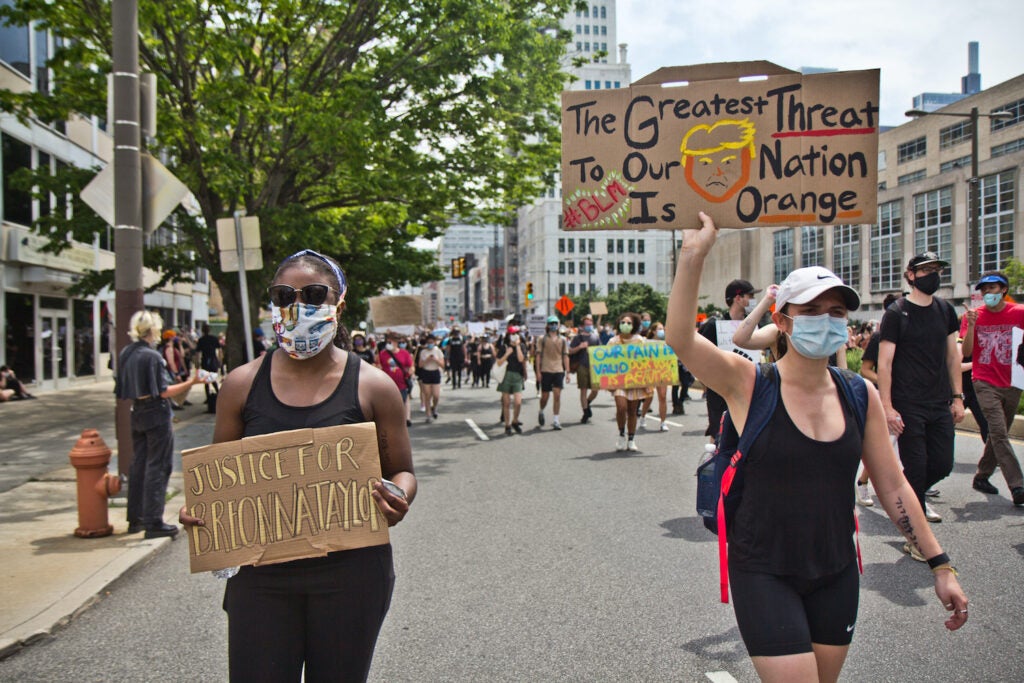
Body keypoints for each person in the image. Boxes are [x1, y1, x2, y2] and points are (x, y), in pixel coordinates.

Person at [665, 212, 968, 682]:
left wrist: (940, 564)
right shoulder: (749, 383)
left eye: (837, 312)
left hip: (835, 571)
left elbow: (892, 484)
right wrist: (693, 255)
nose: (826, 322)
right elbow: (680, 339)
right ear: (784, 321)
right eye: (811, 312)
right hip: (763, 570)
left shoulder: (857, 394)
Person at [180, 248, 414, 682]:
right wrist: (202, 510)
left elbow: (402, 470)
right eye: (284, 294)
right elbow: (217, 479)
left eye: (313, 294)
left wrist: (398, 495)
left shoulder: (375, 387)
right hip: (260, 577)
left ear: (338, 304)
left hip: (352, 575)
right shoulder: (240, 385)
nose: (298, 305)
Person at [877, 252, 964, 534]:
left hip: (939, 402)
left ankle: (905, 496)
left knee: (942, 464)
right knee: (916, 466)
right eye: (926, 270)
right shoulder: (896, 313)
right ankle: (915, 532)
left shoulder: (945, 310)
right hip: (908, 403)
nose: (933, 275)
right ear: (911, 275)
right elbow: (884, 364)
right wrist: (887, 407)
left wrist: (958, 397)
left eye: (937, 269)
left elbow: (953, 357)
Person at [116, 310, 198, 538]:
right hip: (155, 412)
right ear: (153, 330)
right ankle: (153, 520)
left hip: (137, 411)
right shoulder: (151, 356)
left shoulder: (127, 353)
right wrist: (192, 382)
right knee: (158, 465)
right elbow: (163, 391)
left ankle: (136, 518)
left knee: (138, 464)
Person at [960, 272, 1024, 506]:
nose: (988, 294)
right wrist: (973, 325)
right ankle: (1018, 485)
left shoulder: (1019, 313)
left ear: (1004, 290)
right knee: (998, 431)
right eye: (984, 290)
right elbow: (966, 352)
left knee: (999, 434)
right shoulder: (973, 316)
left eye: (993, 289)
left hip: (1013, 381)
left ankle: (982, 476)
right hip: (984, 381)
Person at [699, 278, 760, 439]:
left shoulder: (756, 325)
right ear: (738, 298)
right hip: (720, 391)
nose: (753, 300)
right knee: (719, 434)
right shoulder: (715, 326)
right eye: (750, 296)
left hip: (751, 388)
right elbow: (700, 357)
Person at [857, 293, 900, 508]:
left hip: (909, 398)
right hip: (885, 399)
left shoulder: (910, 334)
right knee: (885, 445)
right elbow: (865, 370)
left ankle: (918, 488)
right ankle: (863, 482)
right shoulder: (879, 336)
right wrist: (886, 383)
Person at [609, 312, 652, 452]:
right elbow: (605, 362)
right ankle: (621, 435)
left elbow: (648, 360)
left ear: (634, 326)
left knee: (633, 411)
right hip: (619, 381)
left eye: (628, 323)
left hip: (636, 381)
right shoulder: (613, 341)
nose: (625, 325)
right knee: (621, 408)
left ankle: (631, 439)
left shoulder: (640, 341)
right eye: (623, 322)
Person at [535, 315, 569, 430]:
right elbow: (538, 356)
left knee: (557, 395)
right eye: (551, 323)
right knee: (545, 396)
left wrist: (568, 372)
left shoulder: (563, 340)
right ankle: (541, 410)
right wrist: (538, 372)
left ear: (558, 325)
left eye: (555, 323)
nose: (553, 325)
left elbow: (565, 356)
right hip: (546, 370)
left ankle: (556, 420)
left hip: (558, 370)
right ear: (548, 325)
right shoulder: (542, 339)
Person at [569, 314, 601, 423]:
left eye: (590, 324)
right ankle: (585, 411)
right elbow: (570, 351)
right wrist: (580, 347)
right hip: (582, 366)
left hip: (594, 367)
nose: (589, 326)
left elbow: (600, 351)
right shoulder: (577, 338)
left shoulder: (595, 337)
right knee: (583, 390)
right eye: (587, 324)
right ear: (582, 326)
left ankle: (588, 402)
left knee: (595, 390)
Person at [496, 326, 527, 436]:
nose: (515, 336)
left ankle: (515, 420)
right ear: (508, 335)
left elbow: (521, 359)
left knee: (518, 402)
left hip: (517, 376)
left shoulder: (522, 346)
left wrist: (517, 346)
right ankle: (507, 425)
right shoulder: (504, 347)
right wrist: (507, 353)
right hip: (506, 376)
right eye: (513, 334)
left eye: (517, 333)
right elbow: (499, 362)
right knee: (506, 402)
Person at [379, 333, 414, 427]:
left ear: (395, 342)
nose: (388, 343)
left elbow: (411, 366)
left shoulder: (404, 353)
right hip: (388, 384)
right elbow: (379, 366)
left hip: (402, 383)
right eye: (388, 341)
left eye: (390, 341)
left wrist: (410, 372)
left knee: (402, 401)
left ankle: (405, 419)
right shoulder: (383, 354)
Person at [416, 334, 445, 422]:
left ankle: (434, 407)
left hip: (435, 372)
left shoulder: (438, 351)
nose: (430, 344)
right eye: (428, 342)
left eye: (432, 342)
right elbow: (420, 365)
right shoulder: (423, 352)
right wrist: (427, 359)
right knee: (427, 395)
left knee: (436, 395)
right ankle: (428, 414)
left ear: (434, 342)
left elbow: (443, 365)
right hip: (426, 373)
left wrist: (436, 360)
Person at [196, 323, 221, 412]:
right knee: (213, 379)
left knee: (206, 380)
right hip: (213, 359)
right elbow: (219, 350)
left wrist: (197, 364)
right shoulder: (214, 339)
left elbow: (198, 353)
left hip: (205, 360)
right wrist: (220, 361)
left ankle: (208, 396)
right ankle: (218, 393)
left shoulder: (201, 340)